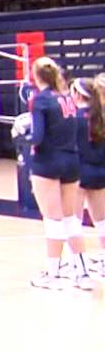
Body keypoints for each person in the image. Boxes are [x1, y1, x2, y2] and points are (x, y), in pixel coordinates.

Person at [22, 57, 92, 291]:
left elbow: (38, 136)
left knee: (52, 220)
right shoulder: (67, 98)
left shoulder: (40, 100)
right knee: (71, 219)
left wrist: (24, 135)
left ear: (36, 75)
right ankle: (82, 273)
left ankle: (53, 275)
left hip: (48, 162)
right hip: (71, 160)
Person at [72, 75, 105, 273]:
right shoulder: (101, 117)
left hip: (78, 174)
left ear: (78, 95)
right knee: (102, 220)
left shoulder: (74, 119)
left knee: (73, 222)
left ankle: (79, 265)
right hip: (101, 172)